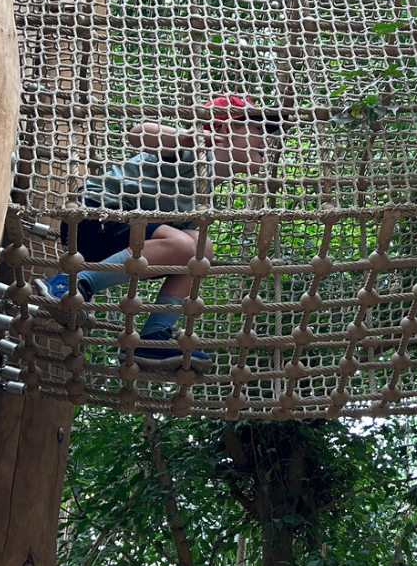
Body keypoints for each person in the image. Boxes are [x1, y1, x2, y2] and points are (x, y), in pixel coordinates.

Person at [40, 95, 276, 371]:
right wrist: (190, 139)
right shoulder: (189, 154)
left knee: (202, 247)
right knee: (187, 246)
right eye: (258, 130)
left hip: (121, 239)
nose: (265, 140)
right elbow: (139, 134)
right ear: (225, 129)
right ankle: (68, 286)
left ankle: (153, 336)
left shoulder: (204, 189)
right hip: (95, 215)